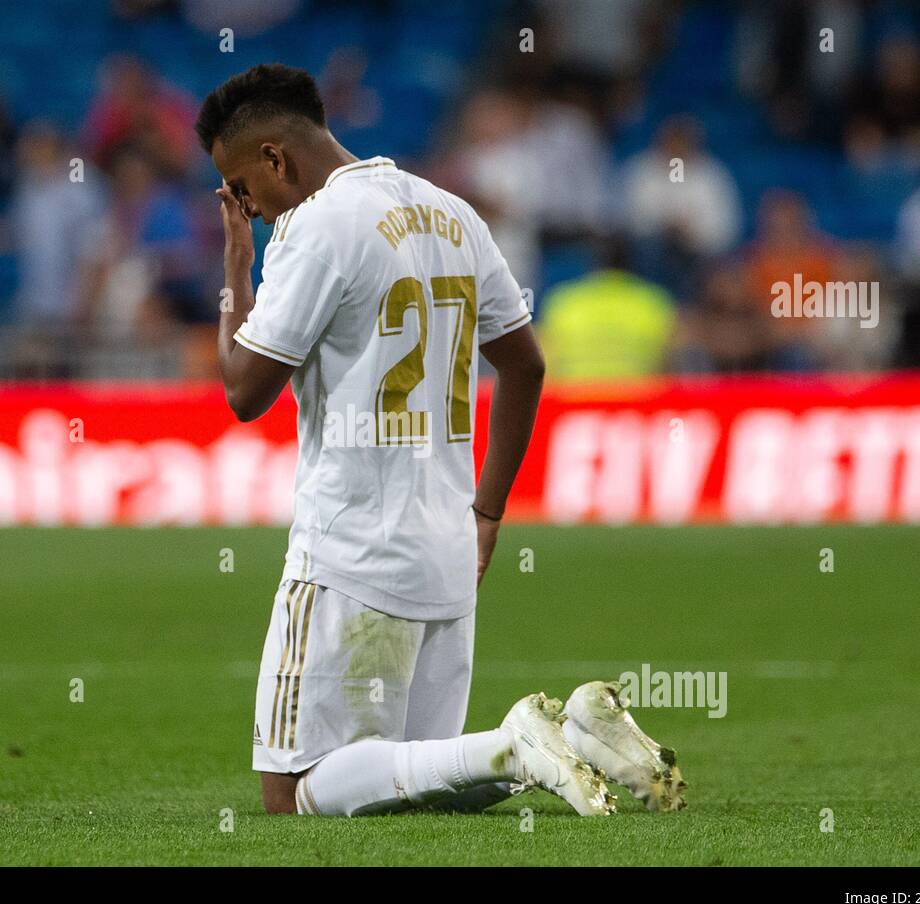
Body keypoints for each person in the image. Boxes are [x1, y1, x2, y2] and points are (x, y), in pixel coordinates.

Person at [196, 64, 686, 817]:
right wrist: (487, 513)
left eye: (242, 186)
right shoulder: (451, 211)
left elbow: (243, 390)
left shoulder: (318, 226)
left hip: (350, 554)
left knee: (291, 795)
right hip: (448, 552)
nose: (250, 209)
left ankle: (514, 743)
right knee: (416, 786)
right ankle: (577, 740)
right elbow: (525, 364)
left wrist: (236, 266)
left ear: (275, 158)